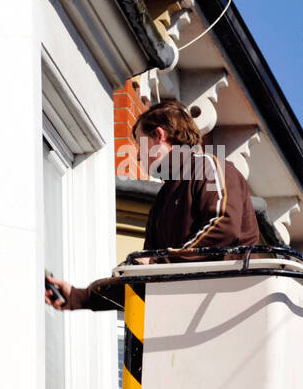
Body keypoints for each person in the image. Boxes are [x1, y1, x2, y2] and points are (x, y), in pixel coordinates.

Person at [45, 100, 260, 311]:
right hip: (184, 316)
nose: (138, 155)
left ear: (159, 135)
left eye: (141, 143)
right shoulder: (162, 201)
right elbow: (144, 276)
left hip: (226, 307)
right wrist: (78, 296)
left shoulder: (209, 166)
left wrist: (159, 263)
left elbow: (223, 224)